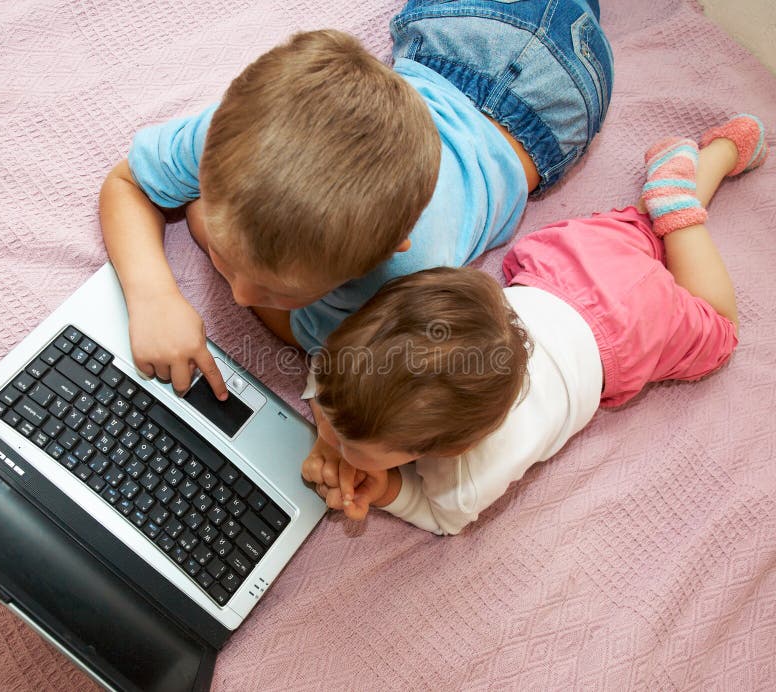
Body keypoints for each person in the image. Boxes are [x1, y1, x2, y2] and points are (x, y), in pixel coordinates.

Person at [98, 1, 614, 400]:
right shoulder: (236, 134)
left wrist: (206, 228)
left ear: (385, 252)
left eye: (276, 291)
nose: (239, 297)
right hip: (461, 25)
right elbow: (126, 183)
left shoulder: (404, 276)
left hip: (558, 101)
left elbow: (321, 348)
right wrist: (153, 297)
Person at [301, 114, 768, 535]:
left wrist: (387, 492)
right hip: (572, 263)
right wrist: (334, 430)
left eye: (338, 432)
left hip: (629, 332)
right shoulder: (356, 362)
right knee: (650, 228)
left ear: (443, 450)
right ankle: (682, 189)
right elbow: (330, 372)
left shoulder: (465, 478)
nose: (325, 420)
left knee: (719, 332)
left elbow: (441, 516)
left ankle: (688, 208)